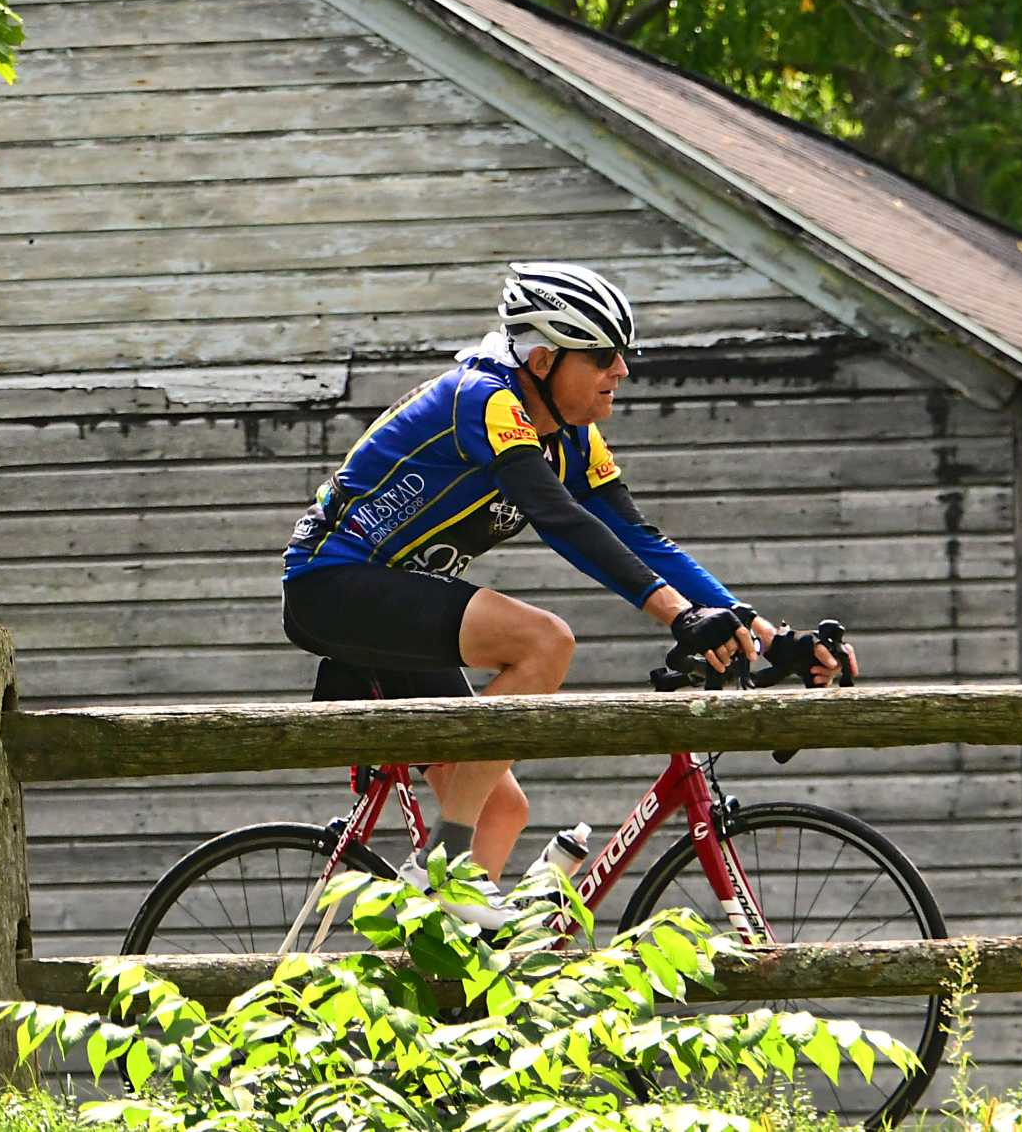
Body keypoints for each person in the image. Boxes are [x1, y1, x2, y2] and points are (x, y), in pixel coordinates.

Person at [281, 261, 859, 926]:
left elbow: (640, 539)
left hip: (398, 596)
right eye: (604, 357)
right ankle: (442, 869)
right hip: (332, 582)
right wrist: (679, 616)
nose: (622, 370)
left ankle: (440, 968)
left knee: (503, 808)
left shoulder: (571, 434)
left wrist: (768, 637)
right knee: (543, 642)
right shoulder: (486, 399)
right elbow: (559, 519)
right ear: (545, 360)